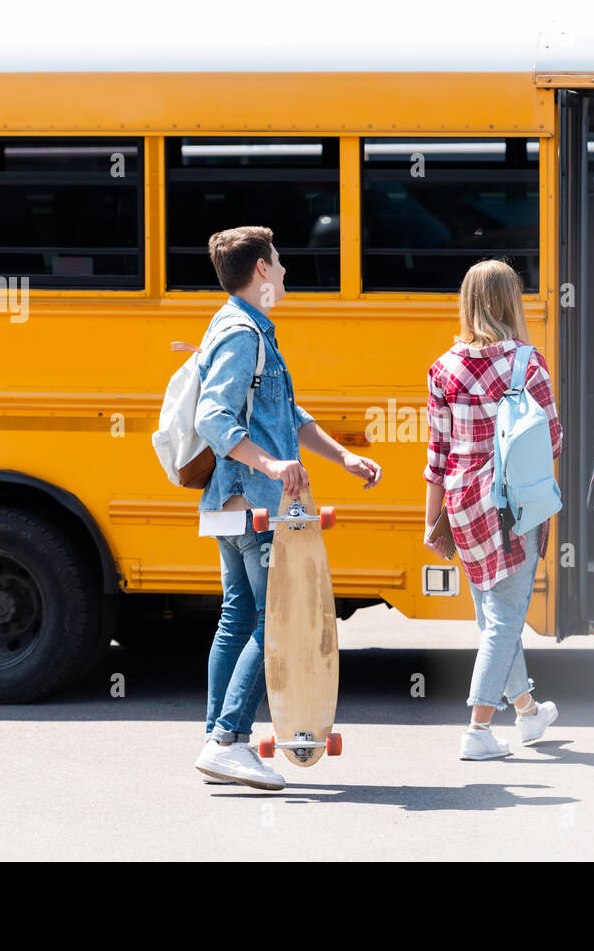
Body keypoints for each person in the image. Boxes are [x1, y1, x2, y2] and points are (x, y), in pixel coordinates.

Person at [192, 226, 382, 790]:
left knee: (238, 616)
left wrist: (344, 456)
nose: (284, 271)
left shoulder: (247, 328)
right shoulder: (242, 334)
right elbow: (213, 418)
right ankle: (229, 739)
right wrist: (271, 467)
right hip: (254, 503)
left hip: (236, 503)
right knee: (273, 622)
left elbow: (288, 415)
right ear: (259, 271)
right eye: (278, 262)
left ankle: (217, 741)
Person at [423, 259, 563, 760]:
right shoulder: (528, 363)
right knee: (504, 619)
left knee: (492, 617)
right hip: (512, 506)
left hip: (463, 503)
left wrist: (430, 519)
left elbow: (437, 454)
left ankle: (526, 711)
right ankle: (478, 729)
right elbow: (552, 439)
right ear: (511, 302)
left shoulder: (444, 367)